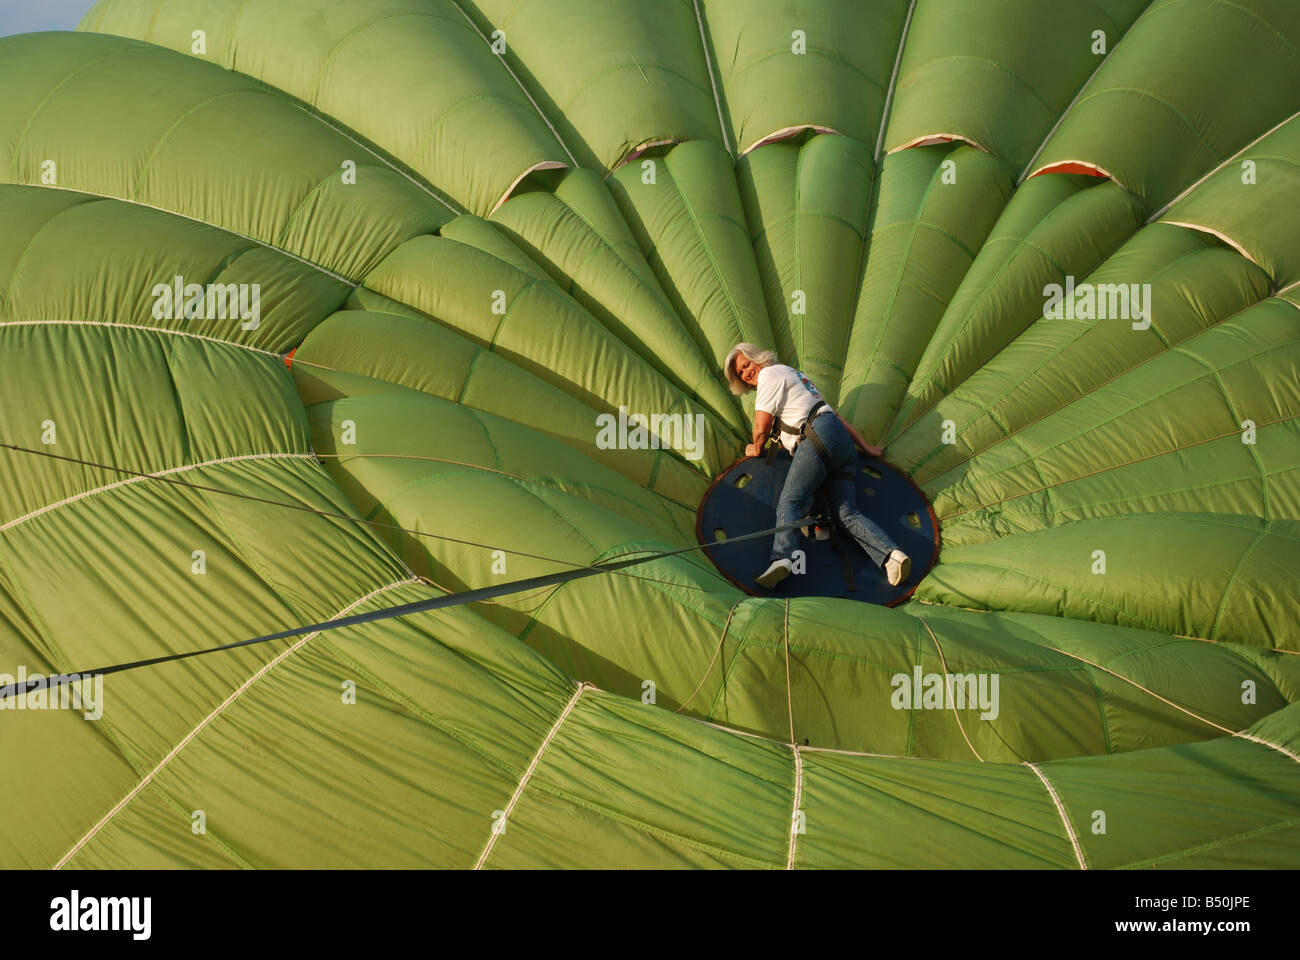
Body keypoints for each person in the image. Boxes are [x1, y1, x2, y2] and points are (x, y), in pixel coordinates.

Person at [723, 343, 911, 589]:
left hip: (816, 439)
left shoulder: (770, 374)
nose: (746, 373)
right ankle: (892, 557)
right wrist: (866, 448)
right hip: (839, 441)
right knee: (847, 514)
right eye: (740, 373)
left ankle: (782, 558)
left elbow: (761, 428)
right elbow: (834, 415)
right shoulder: (793, 374)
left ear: (757, 358)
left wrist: (756, 448)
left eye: (746, 364)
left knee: (791, 500)